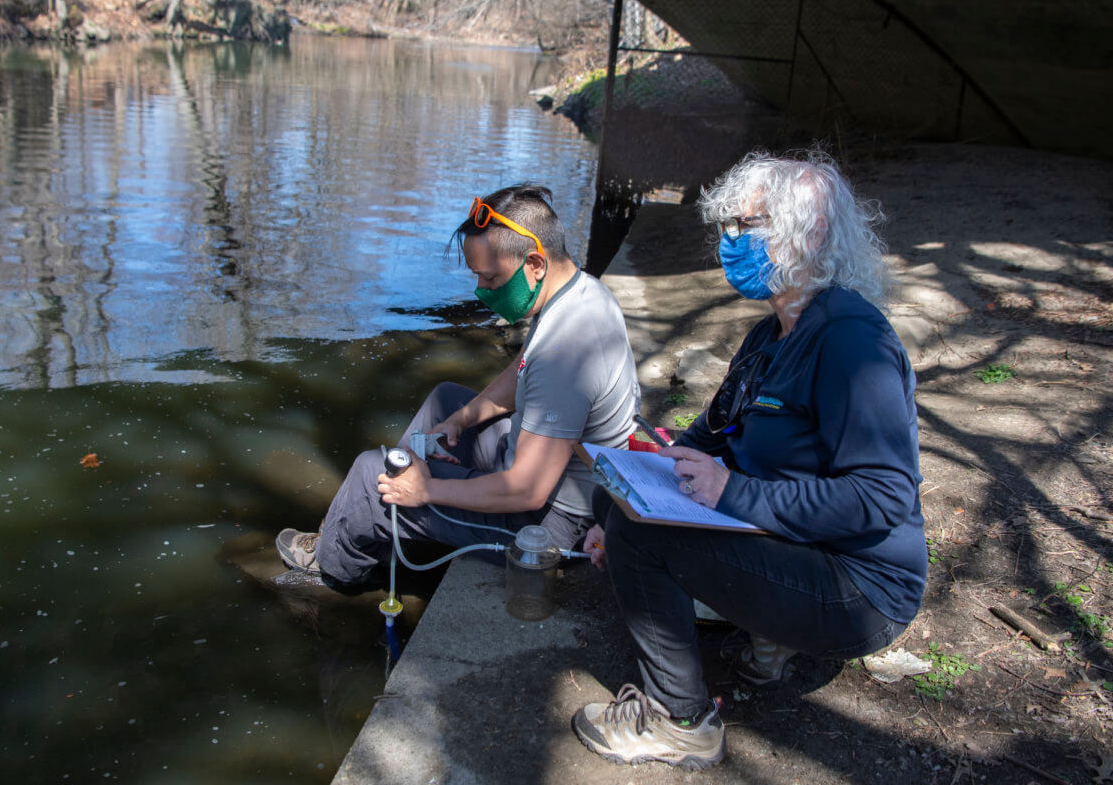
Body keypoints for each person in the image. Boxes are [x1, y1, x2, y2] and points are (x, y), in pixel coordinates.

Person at [572, 151, 926, 770]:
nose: (728, 241)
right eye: (727, 226)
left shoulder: (851, 341)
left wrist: (730, 492)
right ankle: (767, 631)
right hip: (794, 543)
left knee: (641, 534)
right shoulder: (771, 334)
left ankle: (680, 722)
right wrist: (651, 465)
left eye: (746, 227)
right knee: (613, 497)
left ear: (809, 234)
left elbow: (882, 498)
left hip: (860, 588)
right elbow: (716, 432)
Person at [276, 184, 640, 590]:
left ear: (535, 262)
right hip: (554, 477)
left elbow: (526, 491)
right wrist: (461, 419)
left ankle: (334, 569)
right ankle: (392, 518)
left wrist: (428, 490)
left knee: (367, 475)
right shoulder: (578, 290)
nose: (482, 291)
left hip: (552, 526)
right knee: (446, 401)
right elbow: (522, 370)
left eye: (490, 277)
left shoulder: (566, 352)